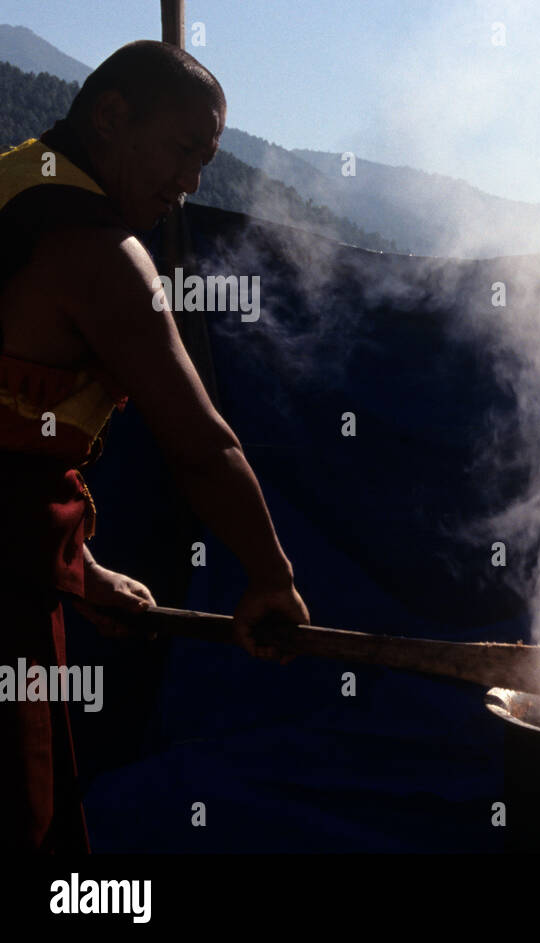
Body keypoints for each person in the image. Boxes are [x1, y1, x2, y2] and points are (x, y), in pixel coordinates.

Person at [0, 40, 309, 853]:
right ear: (111, 116)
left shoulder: (13, 179)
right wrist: (270, 578)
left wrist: (80, 569)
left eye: (207, 162)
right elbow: (202, 445)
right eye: (183, 150)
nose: (191, 185)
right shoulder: (100, 255)